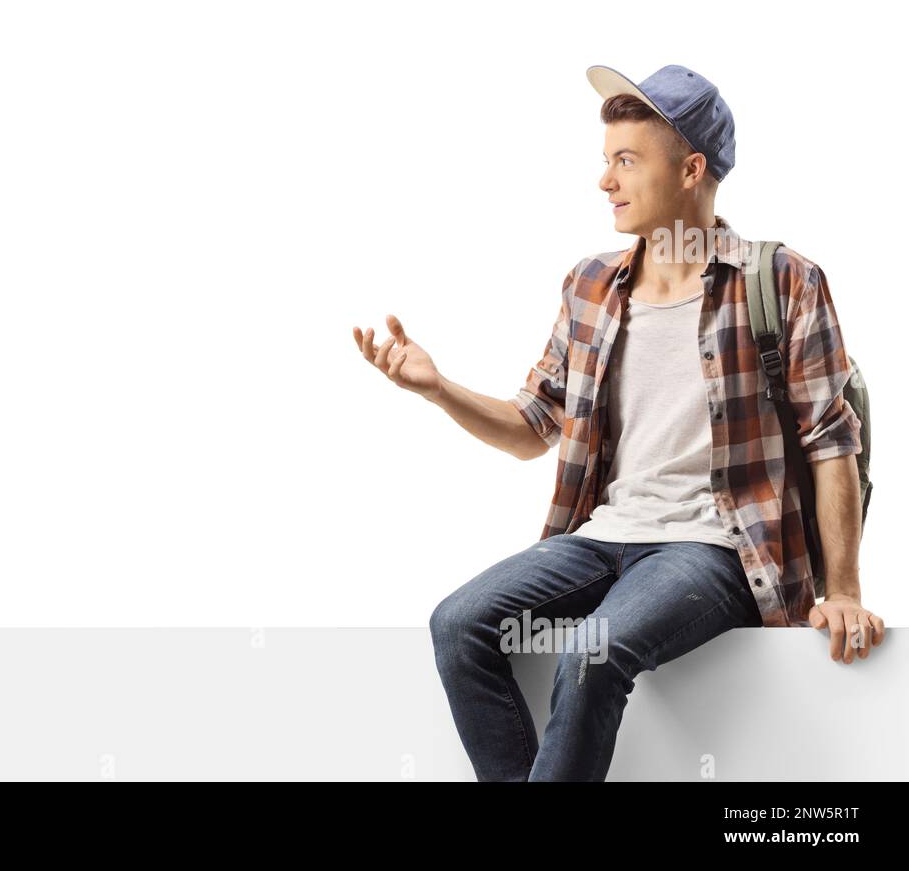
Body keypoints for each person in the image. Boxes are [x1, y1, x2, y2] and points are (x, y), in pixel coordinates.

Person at [352, 65, 883, 781]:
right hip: (602, 537)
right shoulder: (591, 285)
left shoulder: (782, 279)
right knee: (459, 625)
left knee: (593, 649)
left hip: (714, 548)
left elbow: (830, 441)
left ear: (691, 168)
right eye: (607, 162)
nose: (606, 181)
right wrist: (437, 387)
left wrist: (843, 590)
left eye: (626, 161)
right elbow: (533, 424)